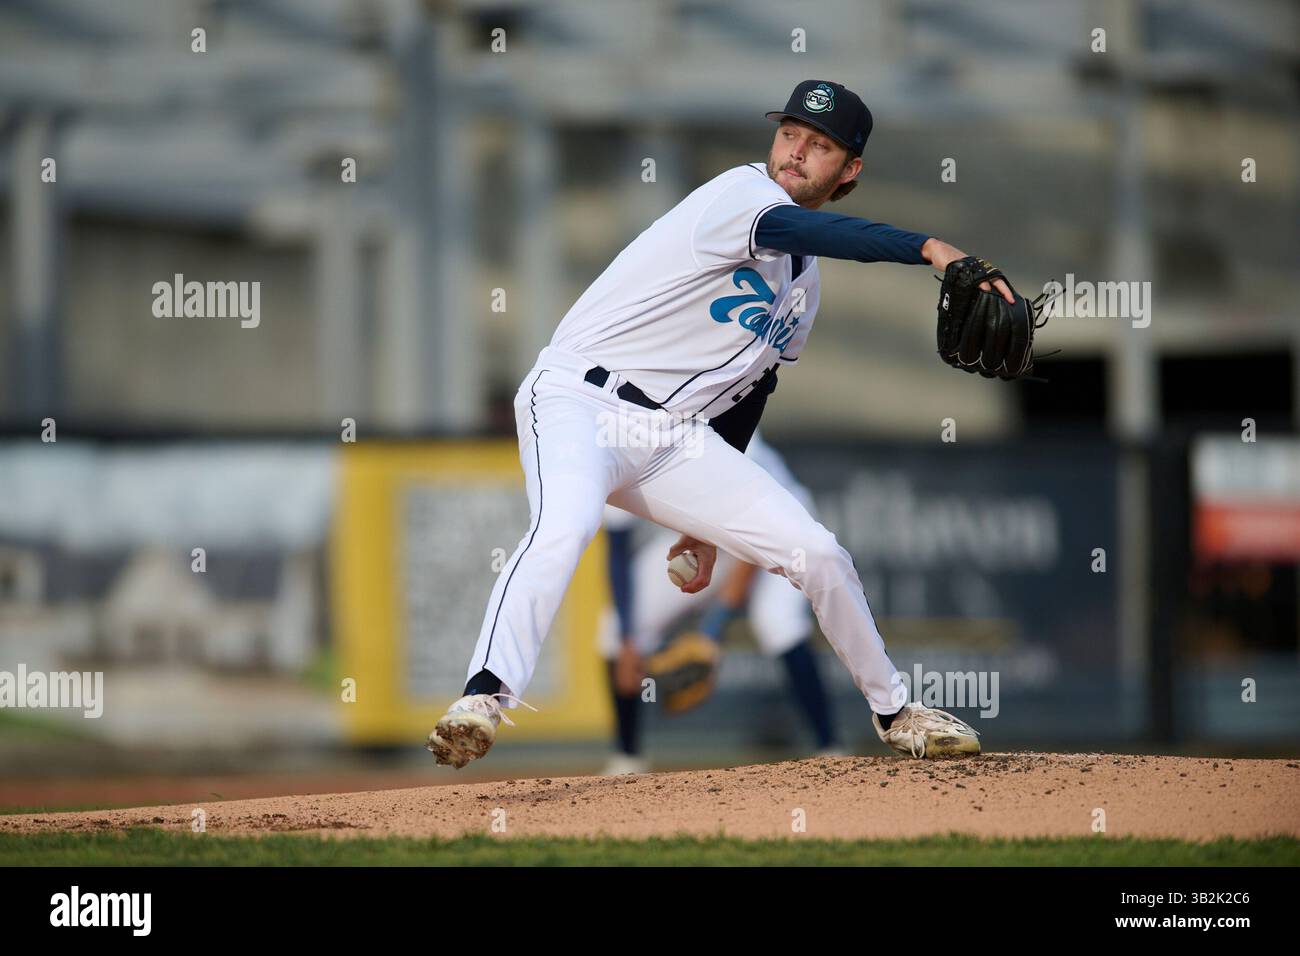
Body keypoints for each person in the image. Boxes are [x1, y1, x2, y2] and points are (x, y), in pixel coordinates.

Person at [427, 79, 989, 769]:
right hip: (579, 399)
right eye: (790, 133)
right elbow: (810, 229)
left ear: (849, 170)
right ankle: (483, 695)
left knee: (816, 552)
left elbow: (749, 394)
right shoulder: (742, 195)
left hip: (675, 438)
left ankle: (896, 711)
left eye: (819, 146)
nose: (795, 152)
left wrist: (704, 521)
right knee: (564, 527)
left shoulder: (804, 288)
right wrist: (929, 247)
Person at [599, 431, 840, 775]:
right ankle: (627, 757)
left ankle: (829, 747)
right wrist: (627, 642)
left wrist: (712, 631)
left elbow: (756, 540)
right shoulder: (615, 446)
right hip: (700, 533)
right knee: (612, 630)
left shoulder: (715, 421)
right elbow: (618, 552)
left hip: (784, 524)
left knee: (776, 623)